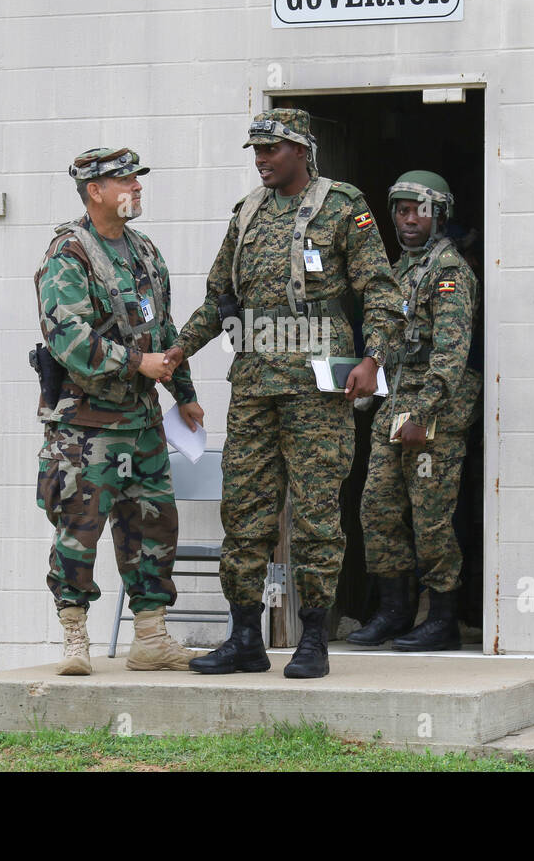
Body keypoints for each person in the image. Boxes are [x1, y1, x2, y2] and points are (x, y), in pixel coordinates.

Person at [163, 108, 404, 679]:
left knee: (317, 514)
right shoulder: (245, 214)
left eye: (272, 150)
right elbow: (218, 297)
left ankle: (313, 639)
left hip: (317, 392)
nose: (262, 160)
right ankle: (245, 636)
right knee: (244, 512)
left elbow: (381, 292)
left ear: (301, 150)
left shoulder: (343, 206)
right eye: (256, 151)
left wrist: (374, 359)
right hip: (253, 388)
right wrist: (179, 350)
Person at [32, 146, 205, 676]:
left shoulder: (145, 251)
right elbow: (70, 341)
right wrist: (137, 363)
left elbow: (165, 331)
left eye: (136, 178)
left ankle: (150, 637)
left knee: (153, 529)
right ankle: (75, 639)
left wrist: (184, 393)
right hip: (85, 429)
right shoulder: (68, 255)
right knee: (78, 531)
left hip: (143, 426)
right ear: (95, 191)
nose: (136, 186)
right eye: (125, 179)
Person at [347, 171, 481, 652]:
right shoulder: (398, 270)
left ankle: (442, 619)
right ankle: (394, 611)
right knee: (377, 508)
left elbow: (451, 354)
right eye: (401, 210)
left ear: (438, 214)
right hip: (394, 406)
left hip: (433, 411)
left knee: (431, 517)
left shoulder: (449, 273)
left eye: (418, 210)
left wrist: (423, 413)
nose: (407, 219)